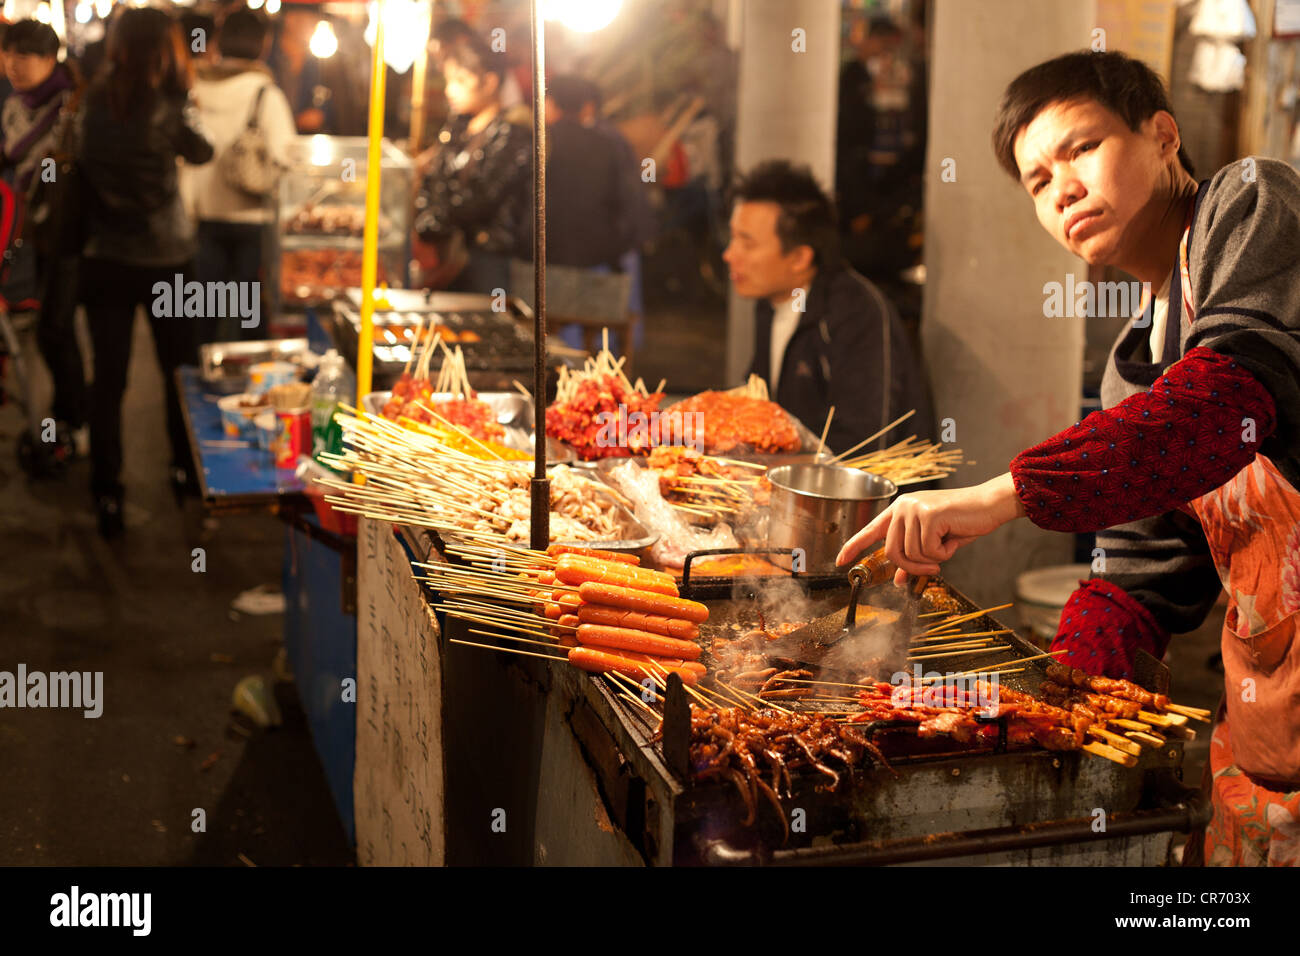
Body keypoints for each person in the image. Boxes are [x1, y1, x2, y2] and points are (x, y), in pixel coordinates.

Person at [838, 50, 1300, 866]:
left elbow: (1227, 400)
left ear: (1164, 136)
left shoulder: (1252, 202)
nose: (1063, 190)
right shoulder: (1133, 364)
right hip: (1267, 745)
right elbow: (1134, 586)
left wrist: (999, 495)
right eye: (1038, 180)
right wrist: (1052, 723)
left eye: (1083, 149)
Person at [76, 7, 214, 538]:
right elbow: (202, 151)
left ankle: (106, 493)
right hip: (166, 259)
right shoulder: (170, 103)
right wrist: (187, 99)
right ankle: (185, 473)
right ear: (164, 48)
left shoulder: (95, 97)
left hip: (105, 258)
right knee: (178, 372)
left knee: (107, 381)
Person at [723, 160, 934, 455]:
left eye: (747, 243)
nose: (729, 255)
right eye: (733, 238)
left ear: (799, 258)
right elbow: (763, 406)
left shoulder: (857, 313)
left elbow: (867, 444)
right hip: (789, 482)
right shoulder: (771, 301)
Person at [183, 8, 294, 343]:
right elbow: (285, 155)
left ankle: (201, 380)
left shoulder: (195, 89)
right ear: (264, 44)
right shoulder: (265, 93)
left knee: (204, 309)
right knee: (248, 314)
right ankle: (247, 386)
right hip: (252, 219)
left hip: (204, 215)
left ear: (219, 41)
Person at [0, 20, 85, 448]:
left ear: (51, 59)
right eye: (9, 52)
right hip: (23, 231)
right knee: (39, 327)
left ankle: (74, 421)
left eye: (27, 54)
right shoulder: (13, 105)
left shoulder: (71, 106)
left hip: (61, 233)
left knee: (56, 327)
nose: (15, 63)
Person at [414, 19, 530, 295]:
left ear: (489, 82)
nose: (449, 90)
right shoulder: (455, 130)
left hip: (487, 262)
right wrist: (425, 221)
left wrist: (434, 223)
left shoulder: (513, 136)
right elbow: (432, 180)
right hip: (445, 258)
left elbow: (482, 198)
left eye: (460, 80)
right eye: (448, 80)